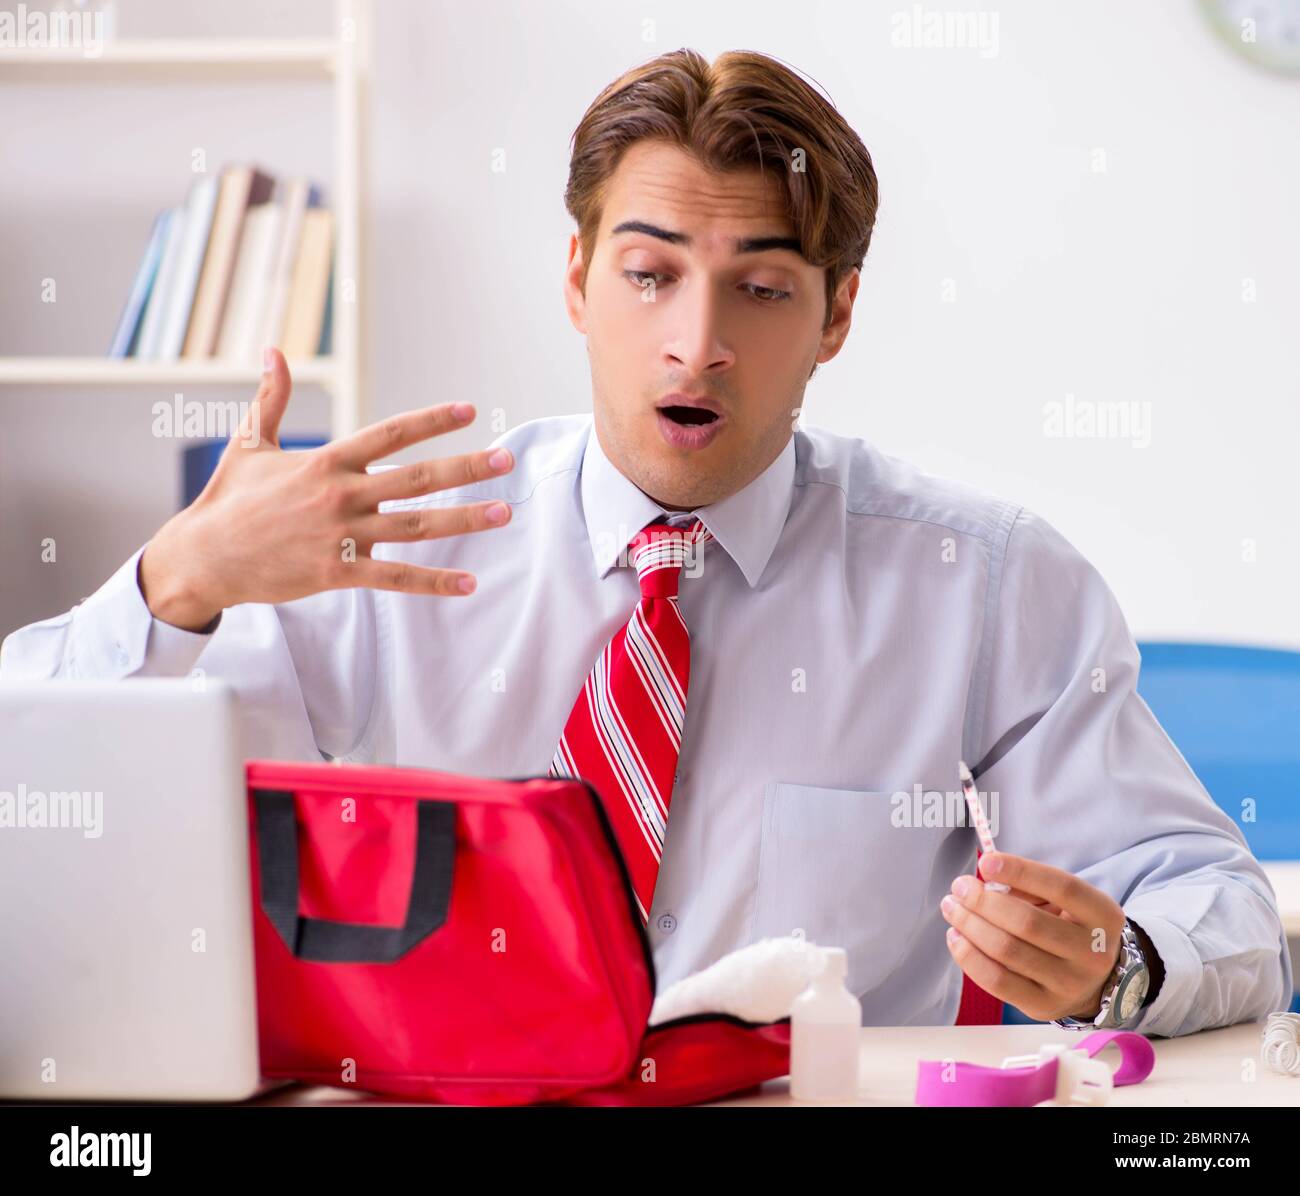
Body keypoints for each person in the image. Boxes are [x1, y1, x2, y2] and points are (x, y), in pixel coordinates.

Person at [3, 49, 1290, 1034]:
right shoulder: (383, 548)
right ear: (576, 281)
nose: (697, 341)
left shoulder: (982, 583)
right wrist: (175, 583)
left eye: (762, 286)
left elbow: (1226, 907)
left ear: (837, 313)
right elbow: (41, 803)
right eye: (648, 273)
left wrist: (1118, 961)